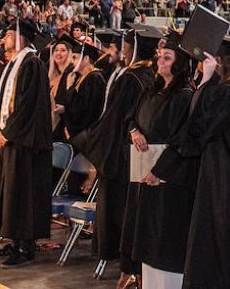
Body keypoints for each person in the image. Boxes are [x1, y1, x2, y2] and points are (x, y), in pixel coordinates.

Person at [162, 32, 230, 289]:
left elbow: (197, 131)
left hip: (225, 181)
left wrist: (207, 81)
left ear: (220, 61)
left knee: (221, 249)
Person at [74, 23, 161, 289]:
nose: (122, 48)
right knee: (133, 214)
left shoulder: (130, 78)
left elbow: (114, 119)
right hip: (138, 156)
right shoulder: (149, 75)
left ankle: (128, 270)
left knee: (123, 213)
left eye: (125, 44)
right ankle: (134, 270)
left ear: (133, 48)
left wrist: (94, 145)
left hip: (122, 158)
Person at [121, 32, 196, 289]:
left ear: (180, 63)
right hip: (143, 174)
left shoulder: (185, 96)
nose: (160, 62)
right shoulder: (150, 89)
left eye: (167, 58)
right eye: (160, 57)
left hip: (167, 181)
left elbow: (181, 141)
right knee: (144, 240)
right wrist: (134, 132)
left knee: (162, 241)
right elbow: (130, 118)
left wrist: (159, 171)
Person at [0, 19, 53, 268]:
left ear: (21, 38)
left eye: (9, 35)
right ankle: (13, 239)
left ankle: (26, 246)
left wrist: (9, 133)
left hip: (25, 144)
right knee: (9, 192)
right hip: (11, 139)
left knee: (23, 195)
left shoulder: (31, 64)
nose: (4, 39)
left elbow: (27, 106)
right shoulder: (13, 63)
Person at [52, 36, 106, 143]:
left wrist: (69, 87)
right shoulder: (82, 77)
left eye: (75, 58)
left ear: (86, 59)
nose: (72, 62)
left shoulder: (94, 78)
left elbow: (87, 111)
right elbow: (78, 105)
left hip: (86, 134)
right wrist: (65, 108)